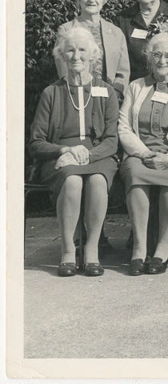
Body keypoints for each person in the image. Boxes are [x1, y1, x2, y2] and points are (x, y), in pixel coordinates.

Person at [29, 27, 120, 277]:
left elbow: (112, 141)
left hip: (98, 155)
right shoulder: (51, 93)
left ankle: (92, 250)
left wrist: (88, 155)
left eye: (82, 50)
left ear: (93, 55)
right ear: (61, 55)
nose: (76, 56)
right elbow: (36, 143)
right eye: (70, 50)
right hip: (62, 158)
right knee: (72, 182)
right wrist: (65, 149)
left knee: (98, 182)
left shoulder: (107, 91)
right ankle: (68, 250)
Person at [117, 33, 168, 275]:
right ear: (149, 58)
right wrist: (142, 153)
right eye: (157, 54)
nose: (163, 60)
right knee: (135, 175)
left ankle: (163, 245)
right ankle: (140, 248)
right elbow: (123, 126)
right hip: (139, 153)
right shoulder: (135, 86)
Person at [56, 0, 130, 98]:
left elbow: (122, 73)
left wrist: (114, 96)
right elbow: (64, 71)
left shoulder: (116, 33)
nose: (92, 0)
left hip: (108, 99)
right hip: (76, 97)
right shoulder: (66, 30)